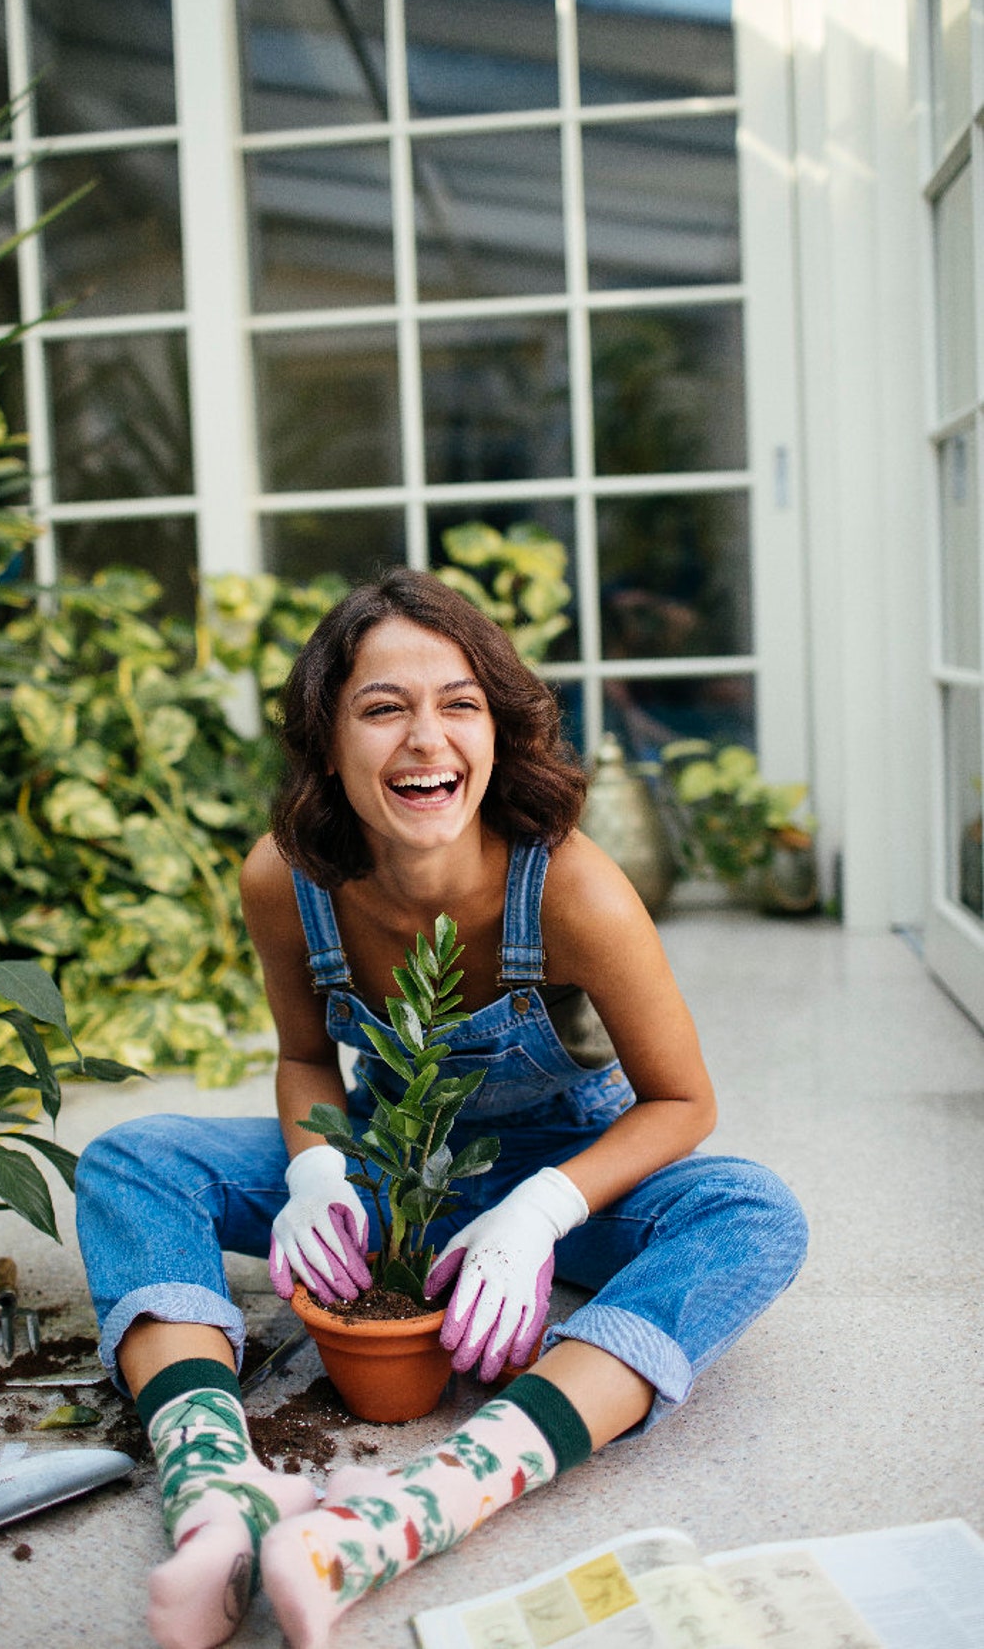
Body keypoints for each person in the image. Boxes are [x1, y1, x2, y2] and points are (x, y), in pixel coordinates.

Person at [75, 568, 808, 1649]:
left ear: (499, 732)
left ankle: (412, 1513)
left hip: (568, 1173)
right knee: (134, 1161)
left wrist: (537, 1217)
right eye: (383, 708)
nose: (427, 740)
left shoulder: (572, 889)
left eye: (459, 704)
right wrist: (317, 1173)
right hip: (389, 1164)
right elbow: (303, 1060)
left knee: (755, 1214)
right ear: (329, 741)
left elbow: (684, 1102)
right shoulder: (288, 878)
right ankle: (215, 1492)